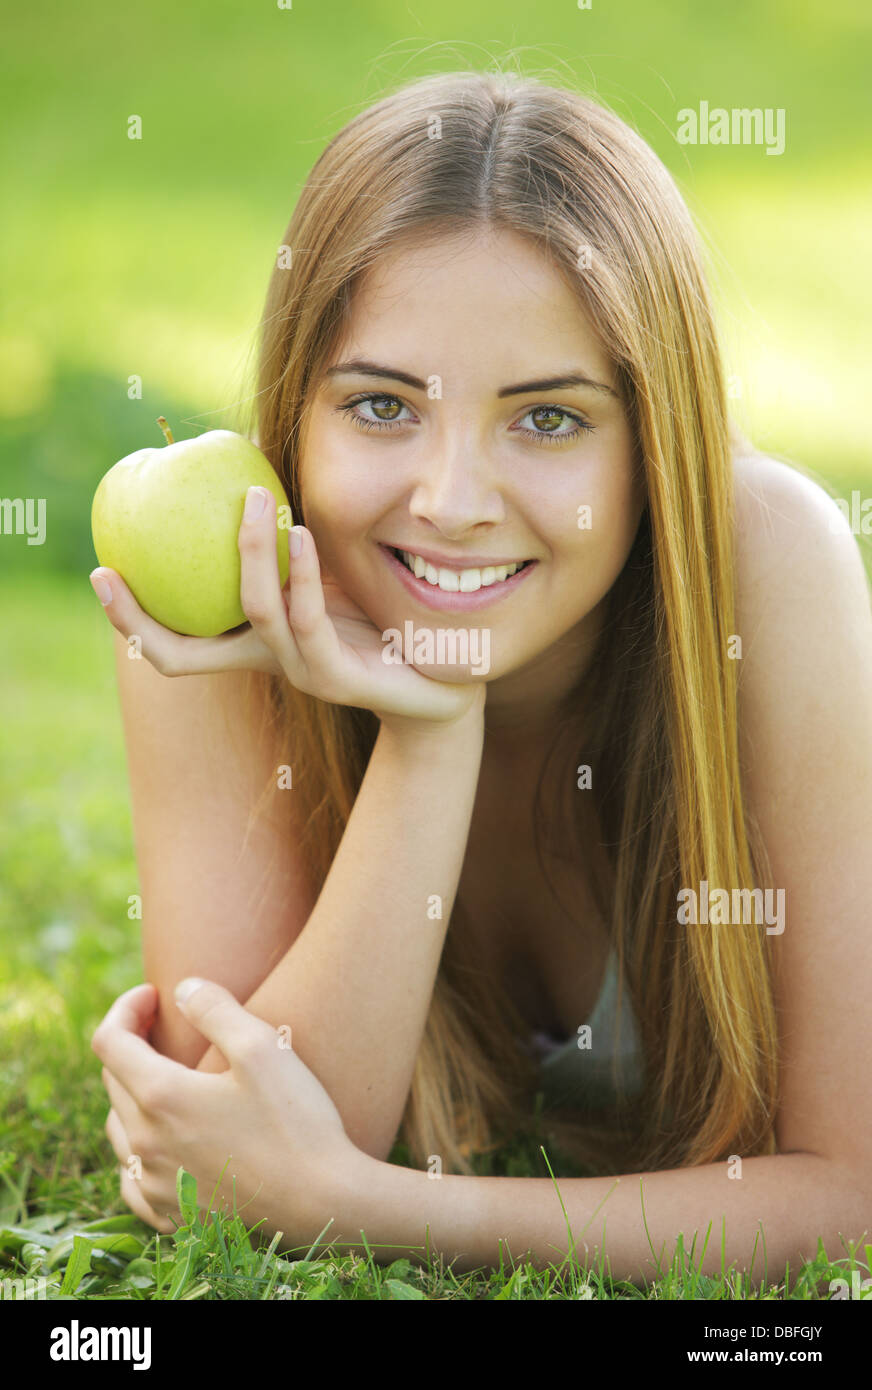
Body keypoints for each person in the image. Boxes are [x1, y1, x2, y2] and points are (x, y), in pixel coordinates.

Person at [90, 69, 872, 1284]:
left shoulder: (763, 563)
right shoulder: (223, 593)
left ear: (649, 436)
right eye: (382, 405)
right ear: (295, 415)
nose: (451, 503)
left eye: (547, 419)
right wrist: (429, 733)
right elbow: (237, 1146)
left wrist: (367, 1206)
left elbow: (848, 1190)